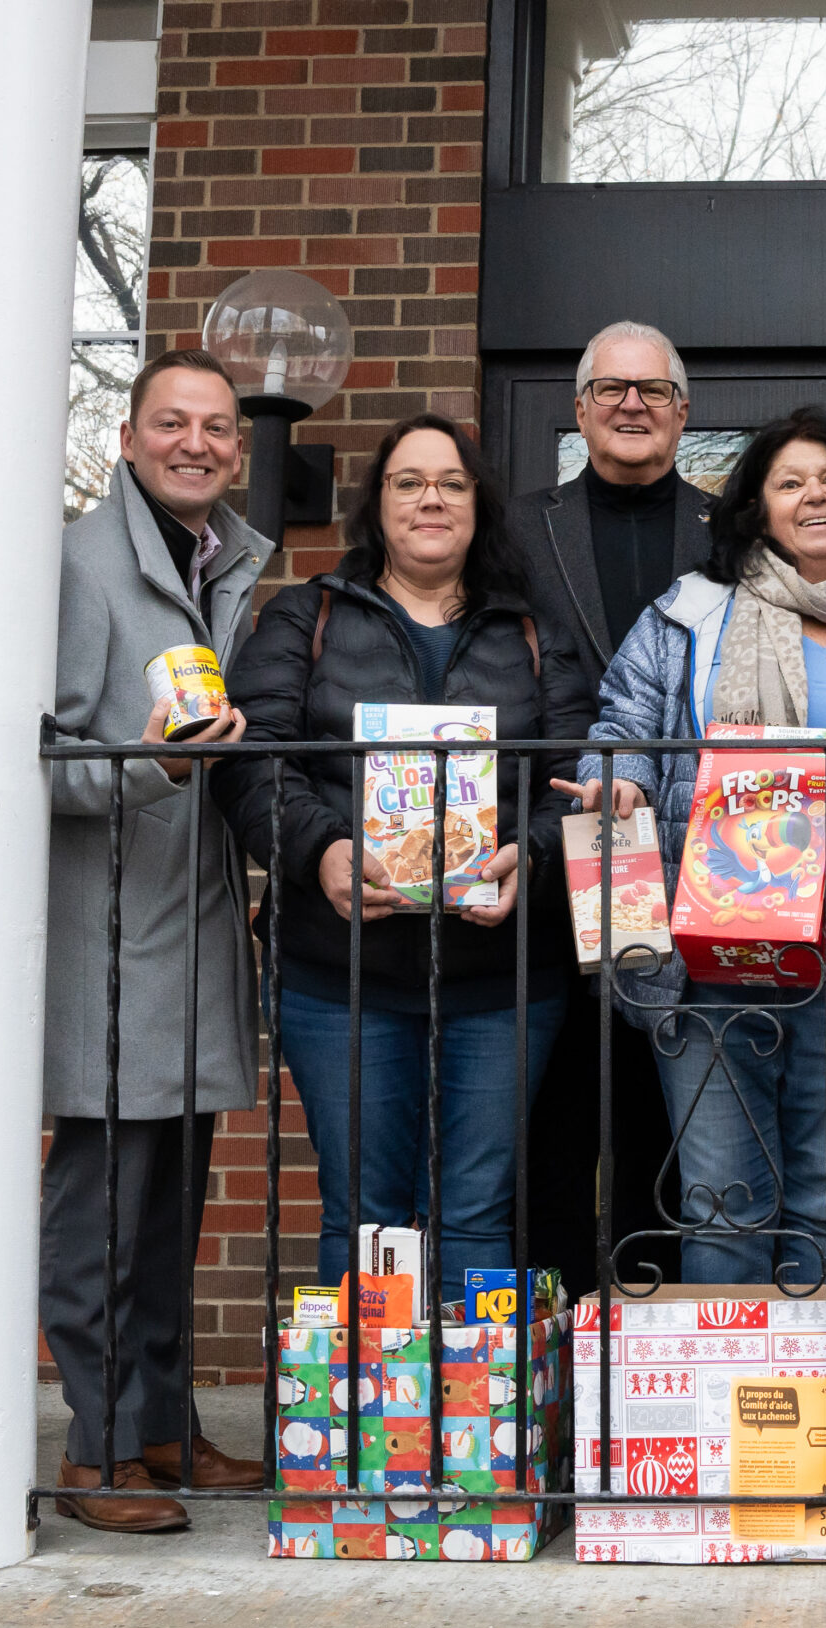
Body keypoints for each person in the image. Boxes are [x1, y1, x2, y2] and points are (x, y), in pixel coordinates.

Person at [216, 414, 594, 1287]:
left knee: (477, 1213)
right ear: (377, 504)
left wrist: (529, 859)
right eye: (409, 481)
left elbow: (574, 774)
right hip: (341, 974)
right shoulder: (304, 616)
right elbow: (255, 759)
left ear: (478, 505)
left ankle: (470, 1427)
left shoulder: (533, 632)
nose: (432, 498)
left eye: (452, 483)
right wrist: (323, 852)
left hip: (504, 977)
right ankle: (365, 1423)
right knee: (365, 1212)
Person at [568, 408, 826, 1286]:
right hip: (709, 960)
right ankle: (728, 1424)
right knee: (724, 1197)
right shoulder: (688, 619)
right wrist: (616, 776)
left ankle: (821, 1419)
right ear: (757, 509)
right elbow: (618, 725)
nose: (815, 494)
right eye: (790, 482)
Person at [41, 349, 272, 1533]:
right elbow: (36, 762)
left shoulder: (223, 564)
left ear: (238, 449)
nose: (196, 443)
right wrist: (152, 767)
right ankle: (94, 1453)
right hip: (107, 934)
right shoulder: (79, 567)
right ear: (127, 438)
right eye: (171, 423)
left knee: (172, 1204)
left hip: (190, 933)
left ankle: (165, 1431)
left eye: (217, 428)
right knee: (104, 1212)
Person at [514, 320, 712, 1304]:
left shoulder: (731, 531)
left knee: (660, 1126)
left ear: (682, 412)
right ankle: (546, 1378)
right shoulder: (517, 530)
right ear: (581, 406)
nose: (631, 404)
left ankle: (648, 1367)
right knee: (549, 1124)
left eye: (652, 390)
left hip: (683, 865)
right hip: (556, 850)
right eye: (610, 388)